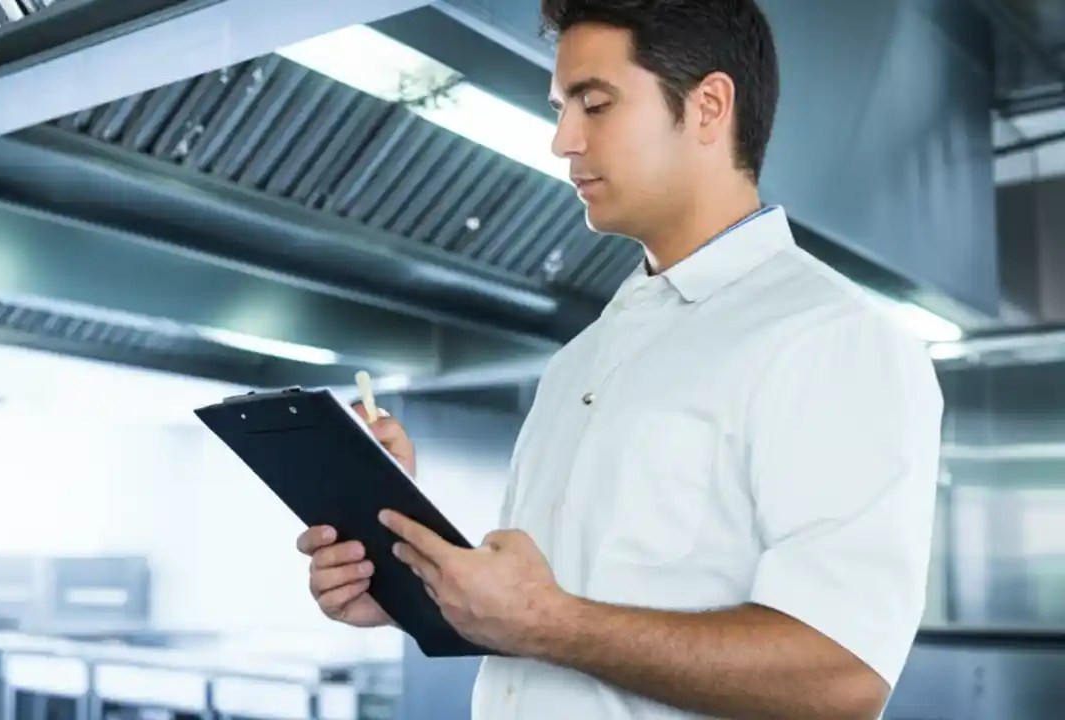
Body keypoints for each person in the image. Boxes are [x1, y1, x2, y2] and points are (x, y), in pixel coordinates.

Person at [297, 0, 943, 717]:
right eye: (559, 107)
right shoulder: (582, 360)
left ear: (708, 106)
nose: (562, 141)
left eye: (594, 104)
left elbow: (841, 679)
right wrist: (411, 583)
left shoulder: (830, 338)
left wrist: (546, 620)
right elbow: (554, 617)